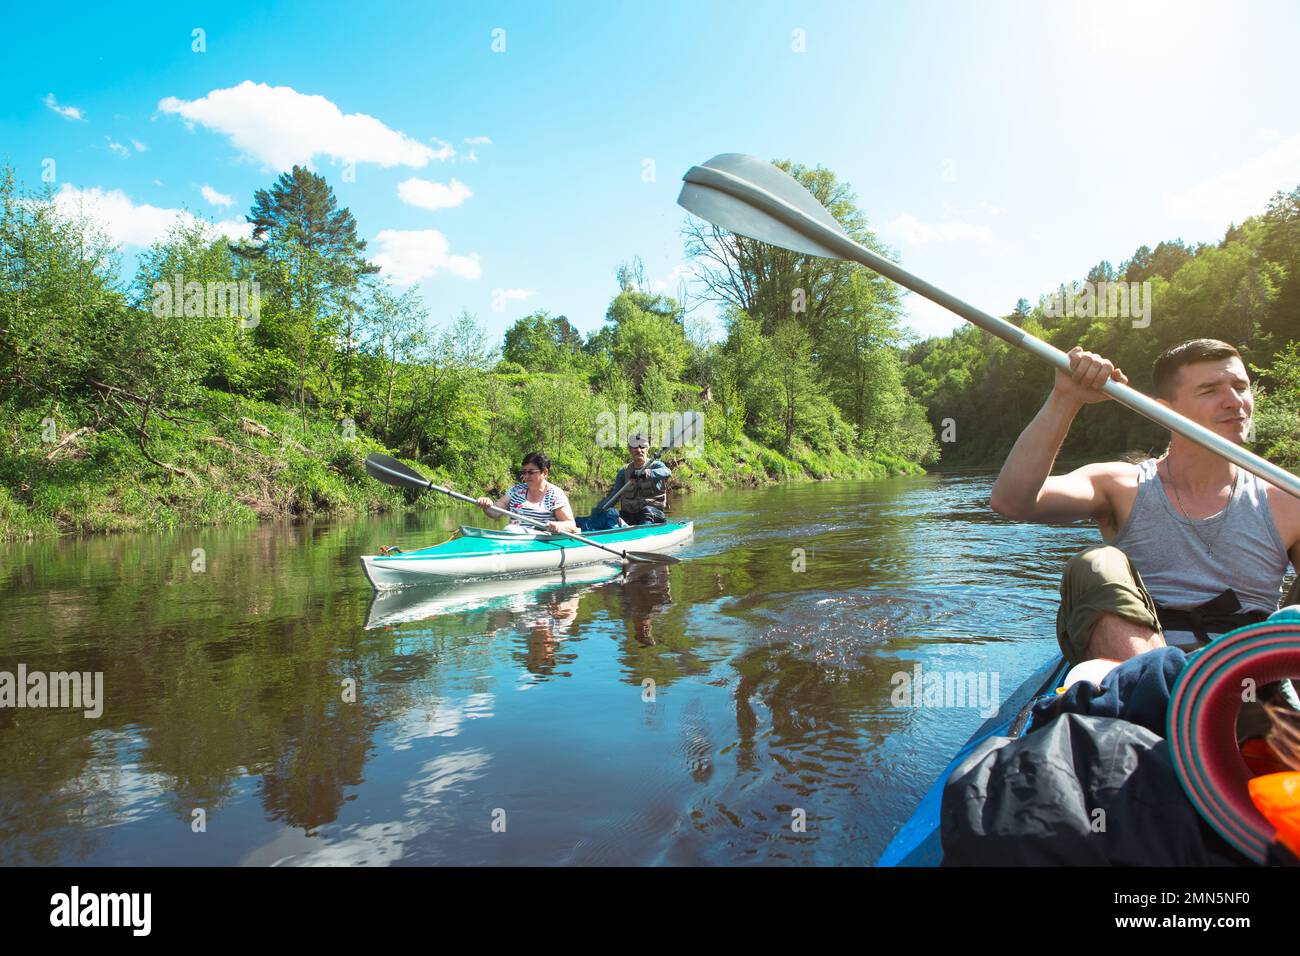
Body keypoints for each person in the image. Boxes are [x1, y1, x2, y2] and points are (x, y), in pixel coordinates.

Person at [990, 339, 1300, 667]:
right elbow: (1013, 501)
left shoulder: (1286, 499)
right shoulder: (1120, 485)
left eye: (1241, 387)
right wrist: (1065, 398)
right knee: (1094, 563)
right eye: (1209, 390)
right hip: (1140, 675)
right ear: (1165, 410)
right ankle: (1165, 691)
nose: (1234, 401)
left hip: (1245, 675)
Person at [476, 452, 578, 534]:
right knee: (511, 529)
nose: (526, 476)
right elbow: (495, 512)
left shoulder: (555, 494)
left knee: (511, 529)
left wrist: (559, 526)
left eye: (531, 472)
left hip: (541, 540)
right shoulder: (516, 490)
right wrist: (487, 505)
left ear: (545, 472)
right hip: (512, 535)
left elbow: (571, 525)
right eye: (524, 472)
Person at [603, 433, 672, 526]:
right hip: (630, 515)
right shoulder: (623, 472)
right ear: (630, 450)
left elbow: (667, 472)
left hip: (653, 514)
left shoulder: (656, 465)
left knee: (646, 512)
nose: (639, 450)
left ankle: (644, 533)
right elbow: (615, 495)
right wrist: (602, 509)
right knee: (610, 514)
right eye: (635, 447)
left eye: (642, 447)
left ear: (647, 449)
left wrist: (647, 473)